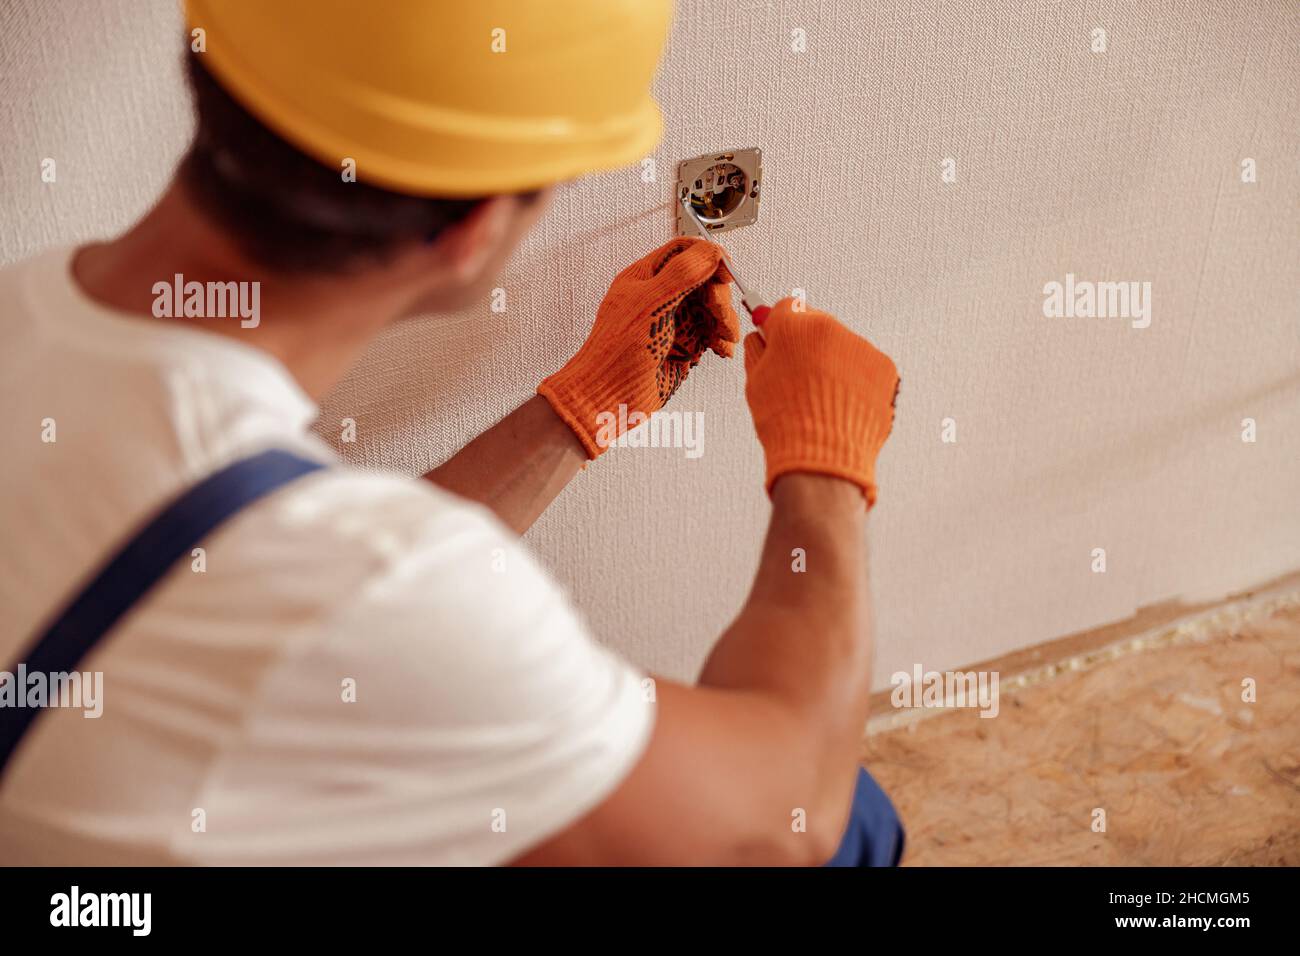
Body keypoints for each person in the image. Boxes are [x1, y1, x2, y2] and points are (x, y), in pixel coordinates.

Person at [0, 0, 902, 866]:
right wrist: (824, 462)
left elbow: (282, 566)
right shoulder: (359, 592)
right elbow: (789, 817)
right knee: (858, 825)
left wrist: (584, 406)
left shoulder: (26, 313)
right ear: (475, 227)